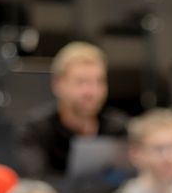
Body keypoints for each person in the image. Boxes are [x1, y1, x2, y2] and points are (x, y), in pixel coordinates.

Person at [16, 42, 129, 178]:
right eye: (81, 82)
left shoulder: (118, 127)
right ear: (58, 85)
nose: (91, 91)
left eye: (99, 81)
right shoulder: (36, 130)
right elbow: (37, 181)